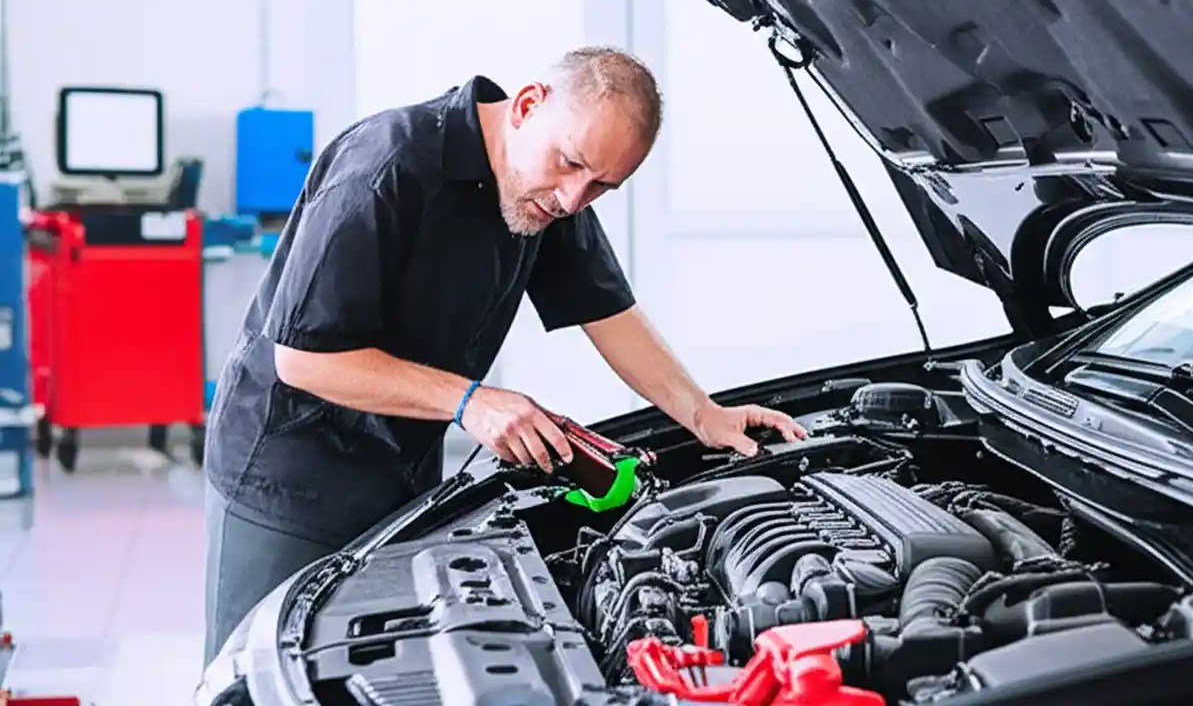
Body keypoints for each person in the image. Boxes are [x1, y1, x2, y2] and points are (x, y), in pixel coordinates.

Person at [201, 46, 807, 664]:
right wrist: (473, 402)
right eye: (571, 164)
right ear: (527, 106)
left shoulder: (551, 187)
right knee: (259, 675)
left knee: (363, 670)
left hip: (400, 473)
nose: (574, 198)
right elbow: (304, 359)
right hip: (288, 477)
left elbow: (609, 313)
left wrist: (703, 413)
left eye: (602, 185)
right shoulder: (385, 166)